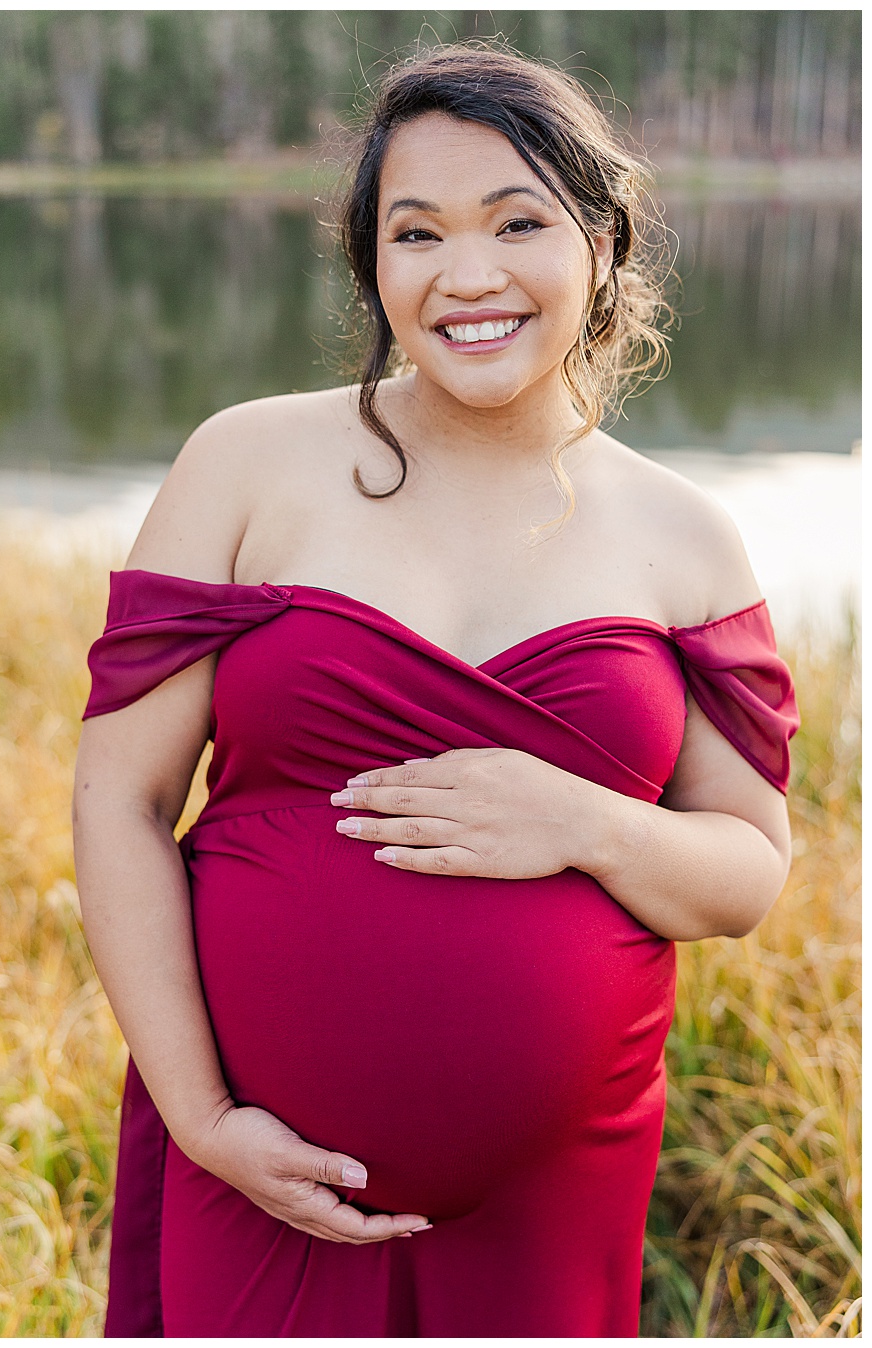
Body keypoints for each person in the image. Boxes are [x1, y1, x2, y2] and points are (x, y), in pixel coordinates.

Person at [72, 45, 798, 1337]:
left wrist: (589, 823)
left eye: (518, 222)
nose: (468, 276)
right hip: (260, 1173)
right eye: (418, 233)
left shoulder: (684, 538)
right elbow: (119, 801)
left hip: (552, 1201)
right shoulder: (245, 466)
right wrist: (202, 1119)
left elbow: (748, 874)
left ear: (602, 239)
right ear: (374, 266)